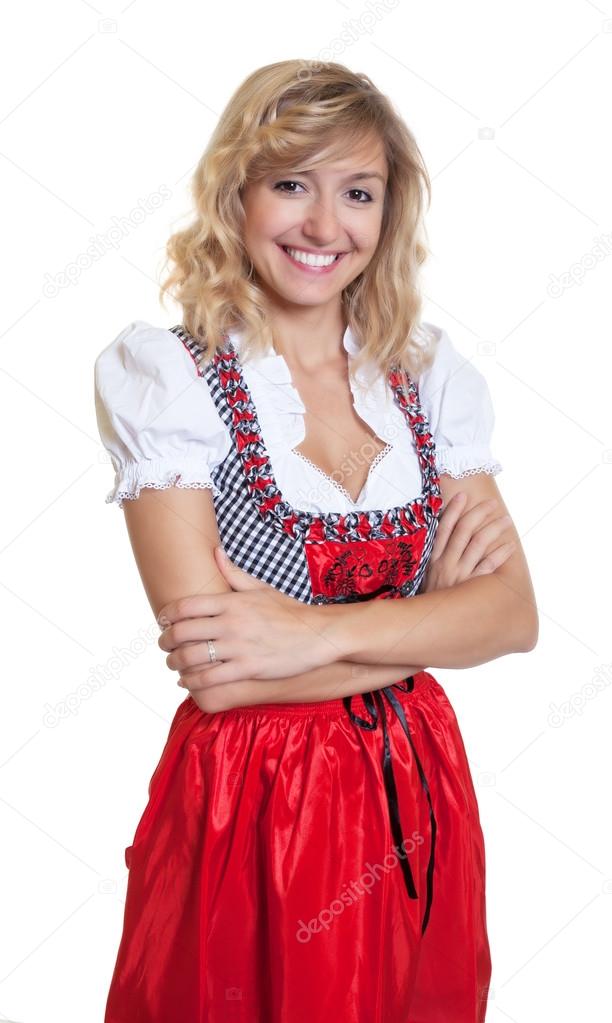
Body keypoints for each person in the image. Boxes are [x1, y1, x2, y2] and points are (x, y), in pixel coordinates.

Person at [94, 60, 538, 1023]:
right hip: (255, 803)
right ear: (236, 195)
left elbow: (512, 616)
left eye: (358, 193)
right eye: (291, 183)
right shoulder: (169, 378)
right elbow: (221, 675)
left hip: (422, 791)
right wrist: (422, 628)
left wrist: (311, 633)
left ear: (389, 215)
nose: (324, 225)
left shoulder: (423, 378)